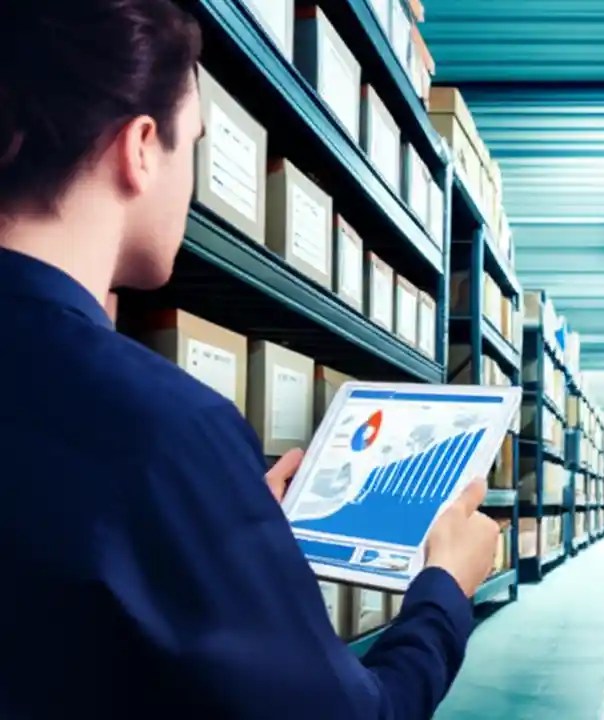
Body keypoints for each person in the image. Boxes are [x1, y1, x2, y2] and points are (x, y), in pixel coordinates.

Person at [0, 1, 500, 717]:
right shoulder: (166, 428)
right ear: (141, 148)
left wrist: (214, 526)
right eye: (194, 143)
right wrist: (444, 590)